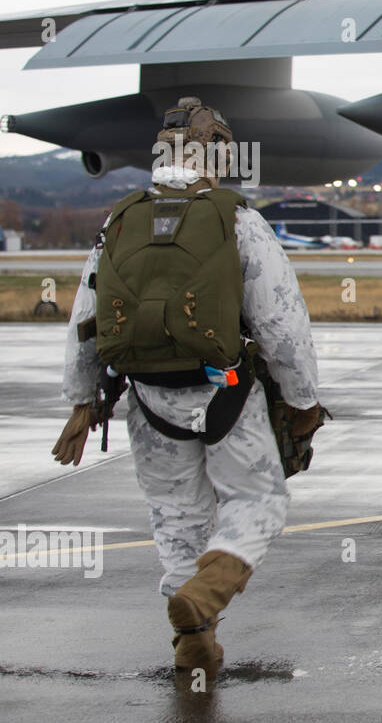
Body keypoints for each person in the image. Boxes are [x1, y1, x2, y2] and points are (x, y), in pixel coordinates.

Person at [53, 96, 320, 675]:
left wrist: (82, 401)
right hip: (224, 391)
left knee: (176, 516)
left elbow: (86, 317)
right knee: (258, 501)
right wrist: (304, 400)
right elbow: (280, 322)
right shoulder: (236, 217)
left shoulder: (119, 219)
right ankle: (204, 597)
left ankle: (193, 640)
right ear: (215, 150)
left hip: (147, 396)